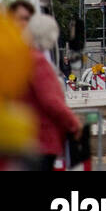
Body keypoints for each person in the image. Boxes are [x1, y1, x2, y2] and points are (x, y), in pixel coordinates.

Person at [20, 13, 83, 171]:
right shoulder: (38, 62)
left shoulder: (23, 59)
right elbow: (51, 101)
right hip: (43, 138)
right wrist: (73, 123)